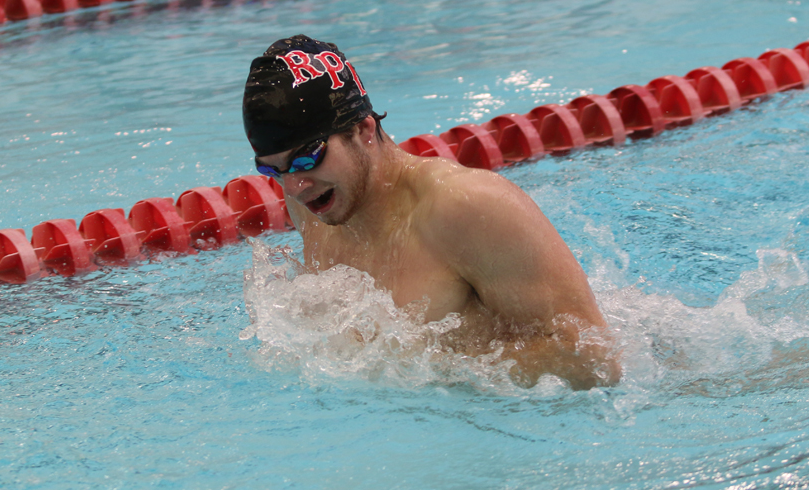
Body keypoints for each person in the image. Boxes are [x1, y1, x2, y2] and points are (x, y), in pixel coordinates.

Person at [242, 35, 619, 389]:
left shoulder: (466, 207)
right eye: (274, 170)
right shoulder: (314, 202)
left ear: (363, 129)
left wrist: (430, 368)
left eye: (308, 158)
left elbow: (594, 358)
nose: (295, 187)